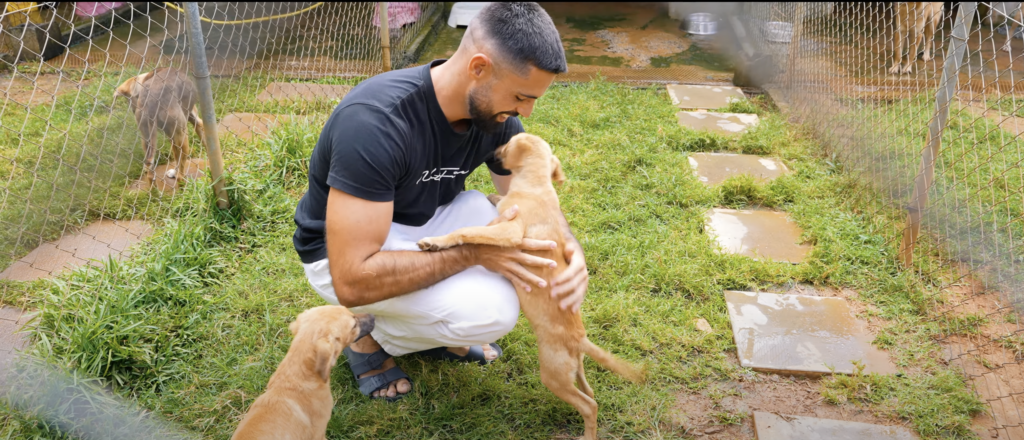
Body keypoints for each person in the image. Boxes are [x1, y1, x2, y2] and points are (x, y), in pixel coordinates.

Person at [291, 2, 589, 402]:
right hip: (340, 254)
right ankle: (366, 337)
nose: (526, 110)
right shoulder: (375, 123)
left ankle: (431, 329)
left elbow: (529, 199)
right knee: (490, 312)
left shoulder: (493, 117)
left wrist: (570, 247)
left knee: (504, 220)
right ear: (479, 67)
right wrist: (472, 253)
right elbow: (352, 278)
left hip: (420, 224)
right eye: (521, 96)